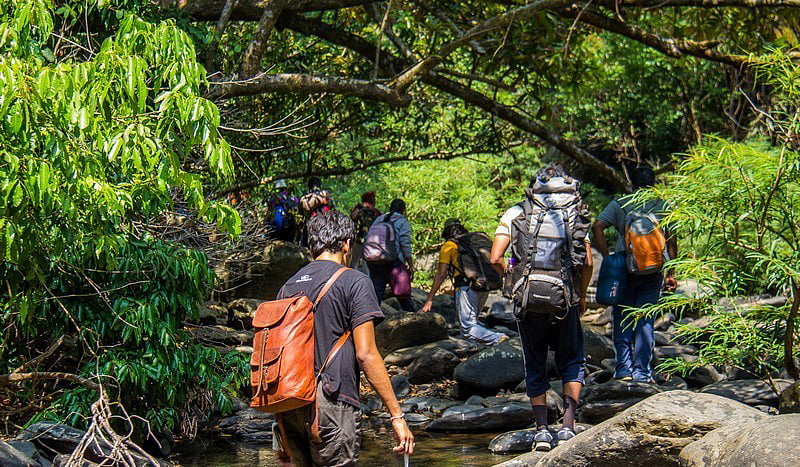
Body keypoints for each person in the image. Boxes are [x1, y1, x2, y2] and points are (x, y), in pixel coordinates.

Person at [274, 210, 413, 466]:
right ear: (347, 244)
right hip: (331, 402)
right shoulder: (354, 281)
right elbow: (366, 354)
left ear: (311, 244)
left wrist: (279, 431)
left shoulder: (287, 286)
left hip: (289, 405)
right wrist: (397, 415)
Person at [490, 164, 593, 451]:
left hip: (528, 300)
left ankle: (541, 432)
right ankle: (568, 428)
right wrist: (581, 296)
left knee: (534, 364)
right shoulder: (575, 210)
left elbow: (495, 257)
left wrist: (516, 272)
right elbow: (586, 262)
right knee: (572, 361)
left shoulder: (516, 212)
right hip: (566, 298)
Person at [592, 166, 678, 384]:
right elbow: (672, 238)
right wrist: (671, 272)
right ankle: (643, 372)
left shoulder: (621, 203)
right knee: (646, 319)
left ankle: (623, 369)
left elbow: (598, 226)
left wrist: (607, 256)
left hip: (623, 268)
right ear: (654, 185)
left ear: (632, 184)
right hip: (654, 269)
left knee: (621, 316)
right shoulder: (663, 205)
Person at [419, 218, 508, 346]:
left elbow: (441, 274)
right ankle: (471, 351)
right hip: (483, 285)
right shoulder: (472, 242)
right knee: (471, 323)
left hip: (466, 287)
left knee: (468, 328)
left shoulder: (449, 246)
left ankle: (498, 338)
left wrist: (430, 298)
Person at [366, 199, 415, 313]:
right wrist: (410, 264)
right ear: (403, 210)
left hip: (373, 260)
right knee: (402, 292)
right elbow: (405, 244)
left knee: (376, 293)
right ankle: (414, 318)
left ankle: (372, 321)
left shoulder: (379, 219)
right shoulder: (402, 221)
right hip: (393, 262)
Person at [349, 191, 381, 271]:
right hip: (371, 241)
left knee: (354, 263)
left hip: (357, 239)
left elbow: (352, 218)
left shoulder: (358, 208)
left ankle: (353, 280)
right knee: (366, 265)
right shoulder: (376, 212)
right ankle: (366, 281)